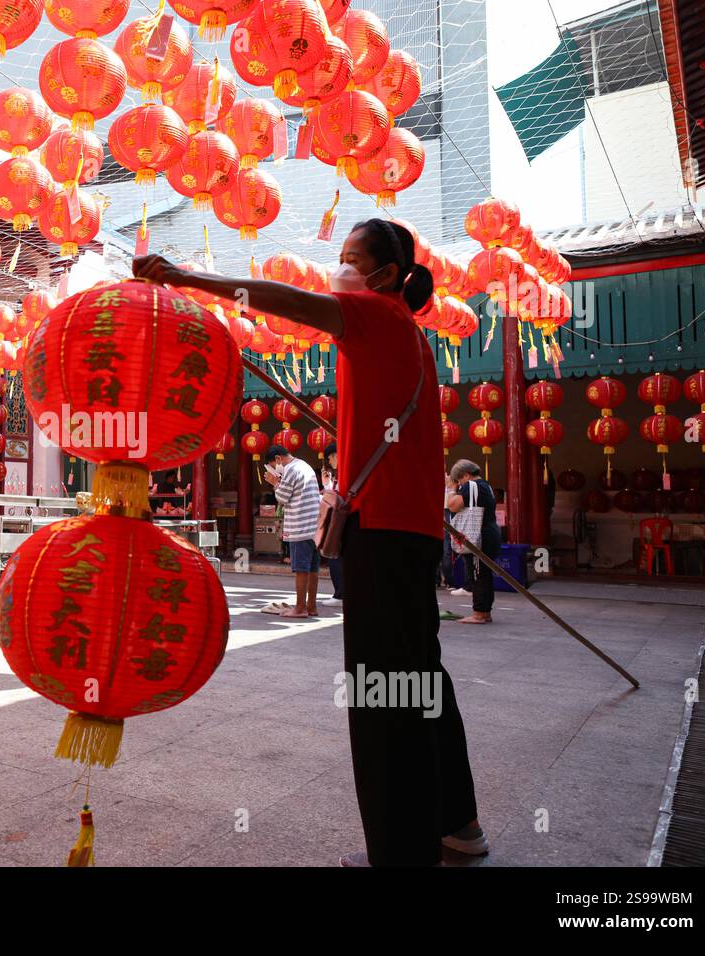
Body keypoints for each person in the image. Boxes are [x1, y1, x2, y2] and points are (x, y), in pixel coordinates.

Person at [134, 218, 486, 866]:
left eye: (352, 258)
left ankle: (399, 853)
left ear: (384, 274)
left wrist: (186, 279)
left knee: (384, 693)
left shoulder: (373, 315)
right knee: (421, 679)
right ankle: (457, 823)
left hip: (380, 533)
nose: (340, 268)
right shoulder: (407, 336)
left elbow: (287, 301)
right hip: (406, 534)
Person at [265, 444, 321, 617]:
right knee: (313, 569)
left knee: (301, 569)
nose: (276, 471)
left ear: (278, 459)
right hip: (314, 527)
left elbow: (282, 497)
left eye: (273, 467)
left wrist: (275, 483)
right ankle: (311, 606)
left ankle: (300, 608)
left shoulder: (290, 469)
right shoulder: (304, 465)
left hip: (300, 526)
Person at [446, 460, 500, 625]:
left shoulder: (471, 486)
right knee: (484, 574)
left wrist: (452, 489)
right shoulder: (486, 486)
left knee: (477, 575)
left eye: (459, 480)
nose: (459, 484)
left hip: (478, 536)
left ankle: (479, 613)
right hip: (489, 533)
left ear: (466, 475)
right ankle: (485, 612)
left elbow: (452, 506)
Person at [318, 443, 344, 606]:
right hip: (343, 521)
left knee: (335, 556)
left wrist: (326, 486)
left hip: (340, 522)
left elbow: (336, 498)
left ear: (335, 455)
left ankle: (340, 594)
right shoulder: (340, 473)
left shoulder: (343, 473)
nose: (330, 462)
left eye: (330, 458)